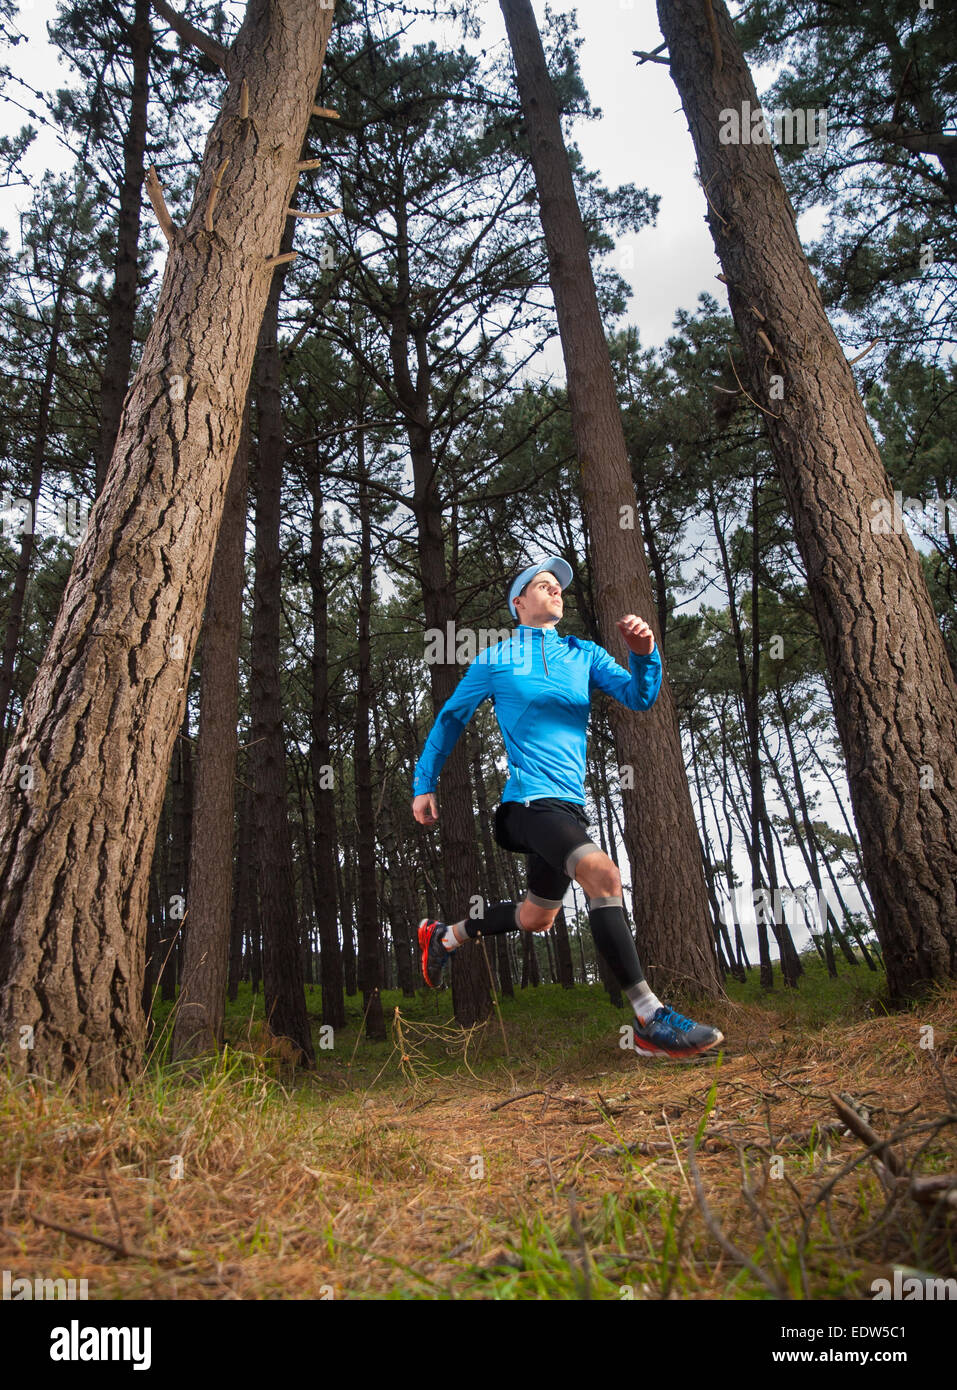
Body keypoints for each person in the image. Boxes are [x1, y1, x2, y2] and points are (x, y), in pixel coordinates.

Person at [411, 557, 724, 1059]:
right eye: (541, 585)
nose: (554, 591)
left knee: (537, 918)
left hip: (568, 810)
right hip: (527, 805)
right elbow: (450, 718)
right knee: (603, 876)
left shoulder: (586, 655)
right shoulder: (496, 658)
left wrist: (645, 653)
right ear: (518, 603)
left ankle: (446, 936)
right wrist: (423, 782)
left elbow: (639, 697)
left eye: (557, 586)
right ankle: (649, 1017)